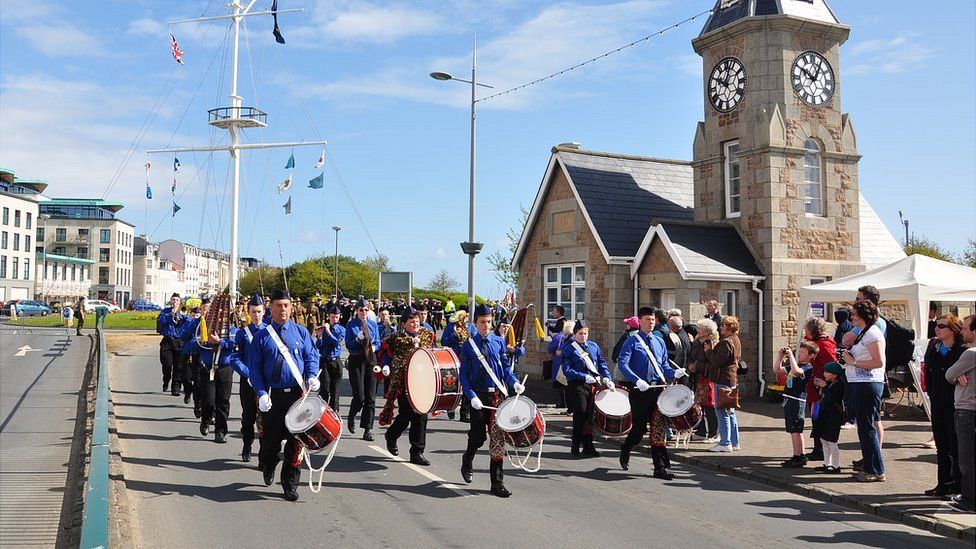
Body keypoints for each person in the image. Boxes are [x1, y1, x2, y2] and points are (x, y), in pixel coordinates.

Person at [247, 289, 321, 502]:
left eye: (286, 305)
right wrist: (261, 393)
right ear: (271, 309)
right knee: (270, 443)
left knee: (296, 442)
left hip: (297, 397)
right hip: (273, 396)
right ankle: (268, 465)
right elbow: (255, 369)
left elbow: (311, 357)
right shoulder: (261, 337)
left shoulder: (301, 332)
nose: (283, 310)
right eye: (279, 306)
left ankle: (290, 484)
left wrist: (312, 376)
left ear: (291, 308)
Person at [458, 304, 524, 497]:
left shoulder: (498, 341)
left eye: (488, 322)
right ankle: (467, 459)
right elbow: (464, 376)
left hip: (497, 395)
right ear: (475, 323)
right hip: (478, 396)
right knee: (478, 437)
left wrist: (515, 383)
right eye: (482, 322)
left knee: (497, 440)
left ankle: (497, 483)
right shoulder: (469, 345)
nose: (486, 325)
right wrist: (471, 396)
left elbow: (505, 368)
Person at [616, 306, 687, 479]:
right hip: (640, 391)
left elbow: (663, 366)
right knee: (639, 430)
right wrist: (636, 380)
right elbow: (622, 364)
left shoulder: (659, 341)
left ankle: (660, 468)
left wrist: (674, 373)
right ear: (640, 321)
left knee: (658, 428)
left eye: (653, 320)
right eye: (648, 319)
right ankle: (626, 447)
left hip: (658, 390)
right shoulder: (631, 341)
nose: (651, 322)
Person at [379, 307, 436, 465]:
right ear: (403, 324)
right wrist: (385, 365)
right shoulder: (396, 338)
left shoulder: (426, 335)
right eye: (411, 322)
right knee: (406, 415)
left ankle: (417, 452)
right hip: (403, 381)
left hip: (422, 380)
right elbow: (384, 353)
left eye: (417, 321)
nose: (415, 324)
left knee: (421, 415)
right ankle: (391, 435)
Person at [841, 300, 887, 482]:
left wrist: (854, 362)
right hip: (860, 383)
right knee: (865, 427)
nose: (852, 317)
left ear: (864, 316)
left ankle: (875, 470)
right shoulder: (864, 333)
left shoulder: (872, 334)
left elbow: (878, 362)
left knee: (867, 428)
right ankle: (872, 466)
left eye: (855, 314)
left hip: (867, 384)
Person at [923, 315, 967, 499]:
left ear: (953, 330)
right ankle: (942, 483)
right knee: (941, 444)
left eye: (941, 326)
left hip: (954, 402)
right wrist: (931, 392)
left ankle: (956, 485)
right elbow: (929, 371)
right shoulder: (934, 346)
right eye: (937, 325)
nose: (937, 329)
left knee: (954, 444)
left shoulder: (961, 350)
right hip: (938, 400)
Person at [561, 320, 614, 457]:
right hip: (577, 384)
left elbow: (601, 363)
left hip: (593, 384)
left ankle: (588, 446)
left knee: (590, 416)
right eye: (580, 334)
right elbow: (567, 370)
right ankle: (575, 444)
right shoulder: (569, 348)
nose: (583, 336)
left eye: (585, 333)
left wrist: (607, 376)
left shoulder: (593, 346)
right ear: (574, 334)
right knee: (580, 414)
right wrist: (584, 376)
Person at [945, 314, 975, 513]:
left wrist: (957, 374)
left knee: (967, 459)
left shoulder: (971, 354)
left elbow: (948, 375)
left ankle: (970, 500)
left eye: (965, 328)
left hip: (967, 410)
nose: (962, 332)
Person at [196, 309, 238, 443]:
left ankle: (220, 431)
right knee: (208, 400)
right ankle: (205, 420)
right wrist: (204, 340)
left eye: (222, 315)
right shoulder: (203, 328)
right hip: (208, 369)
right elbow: (192, 344)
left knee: (223, 401)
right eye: (216, 315)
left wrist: (220, 342)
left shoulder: (232, 330)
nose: (219, 318)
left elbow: (236, 346)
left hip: (225, 369)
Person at [232, 294, 264, 462]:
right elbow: (234, 358)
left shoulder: (270, 331)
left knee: (266, 419)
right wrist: (248, 374)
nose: (256, 315)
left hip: (266, 383)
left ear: (264, 312)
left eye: (259, 311)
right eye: (253, 312)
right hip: (248, 381)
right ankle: (247, 445)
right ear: (248, 313)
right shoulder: (242, 333)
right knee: (248, 417)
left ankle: (264, 454)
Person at [774, 342, 817, 468]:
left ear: (811, 356)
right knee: (793, 430)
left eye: (802, 352)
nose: (799, 355)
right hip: (789, 399)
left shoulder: (808, 368)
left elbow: (797, 372)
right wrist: (780, 357)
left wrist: (791, 355)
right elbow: (777, 370)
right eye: (799, 352)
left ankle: (798, 456)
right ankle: (799, 455)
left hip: (797, 400)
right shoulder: (795, 364)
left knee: (796, 429)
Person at [345, 297, 380, 441]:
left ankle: (367, 429)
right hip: (357, 360)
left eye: (366, 310)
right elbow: (348, 345)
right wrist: (357, 340)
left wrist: (374, 346)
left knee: (370, 397)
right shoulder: (351, 325)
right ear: (357, 311)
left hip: (370, 360)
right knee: (359, 396)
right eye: (361, 310)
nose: (363, 312)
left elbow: (378, 340)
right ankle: (352, 416)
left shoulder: (373, 324)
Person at [803, 316, 838, 462]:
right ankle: (818, 449)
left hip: (820, 388)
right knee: (816, 419)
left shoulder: (823, 345)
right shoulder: (819, 342)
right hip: (815, 386)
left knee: (818, 419)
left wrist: (824, 382)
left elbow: (832, 365)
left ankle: (820, 451)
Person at [706, 316, 742, 452]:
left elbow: (717, 362)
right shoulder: (735, 340)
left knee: (722, 411)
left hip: (723, 379)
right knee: (730, 411)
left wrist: (709, 350)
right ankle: (734, 442)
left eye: (723, 325)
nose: (721, 328)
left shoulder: (726, 342)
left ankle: (725, 442)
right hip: (731, 379)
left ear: (729, 327)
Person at [812, 362, 846, 473]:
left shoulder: (839, 385)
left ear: (835, 374)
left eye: (827, 372)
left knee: (832, 441)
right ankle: (827, 463)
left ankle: (835, 466)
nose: (824, 373)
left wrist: (825, 387)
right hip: (825, 415)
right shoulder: (829, 383)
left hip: (833, 416)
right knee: (823, 440)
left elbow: (833, 399)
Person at [689, 318, 719, 442]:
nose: (698, 330)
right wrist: (690, 364)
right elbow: (692, 355)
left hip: (707, 378)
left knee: (709, 407)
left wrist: (697, 366)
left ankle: (714, 433)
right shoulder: (697, 341)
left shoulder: (712, 343)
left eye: (700, 328)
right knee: (698, 406)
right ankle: (701, 431)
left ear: (707, 331)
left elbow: (712, 362)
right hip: (696, 377)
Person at [442, 309, 473, 422]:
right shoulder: (451, 326)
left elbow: (474, 340)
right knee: (452, 385)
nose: (464, 319)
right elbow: (444, 341)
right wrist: (454, 336)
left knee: (466, 385)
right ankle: (450, 407)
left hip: (466, 359)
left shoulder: (470, 327)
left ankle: (465, 413)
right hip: (453, 359)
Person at [314, 306, 346, 414]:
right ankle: (322, 413)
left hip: (336, 361)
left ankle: (334, 413)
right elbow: (319, 346)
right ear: (329, 317)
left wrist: (328, 331)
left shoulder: (341, 329)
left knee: (335, 391)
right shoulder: (323, 329)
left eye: (336, 317)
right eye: (333, 317)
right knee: (325, 389)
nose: (335, 319)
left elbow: (336, 343)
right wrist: (319, 336)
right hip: (325, 361)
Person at [156, 293, 185, 395]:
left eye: (177, 300)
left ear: (180, 301)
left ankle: (176, 388)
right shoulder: (165, 312)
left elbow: (189, 322)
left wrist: (182, 315)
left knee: (178, 366)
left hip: (179, 341)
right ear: (170, 301)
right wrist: (171, 314)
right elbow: (160, 321)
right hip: (167, 341)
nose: (175, 302)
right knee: (167, 364)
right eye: (173, 300)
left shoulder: (183, 312)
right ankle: (166, 379)